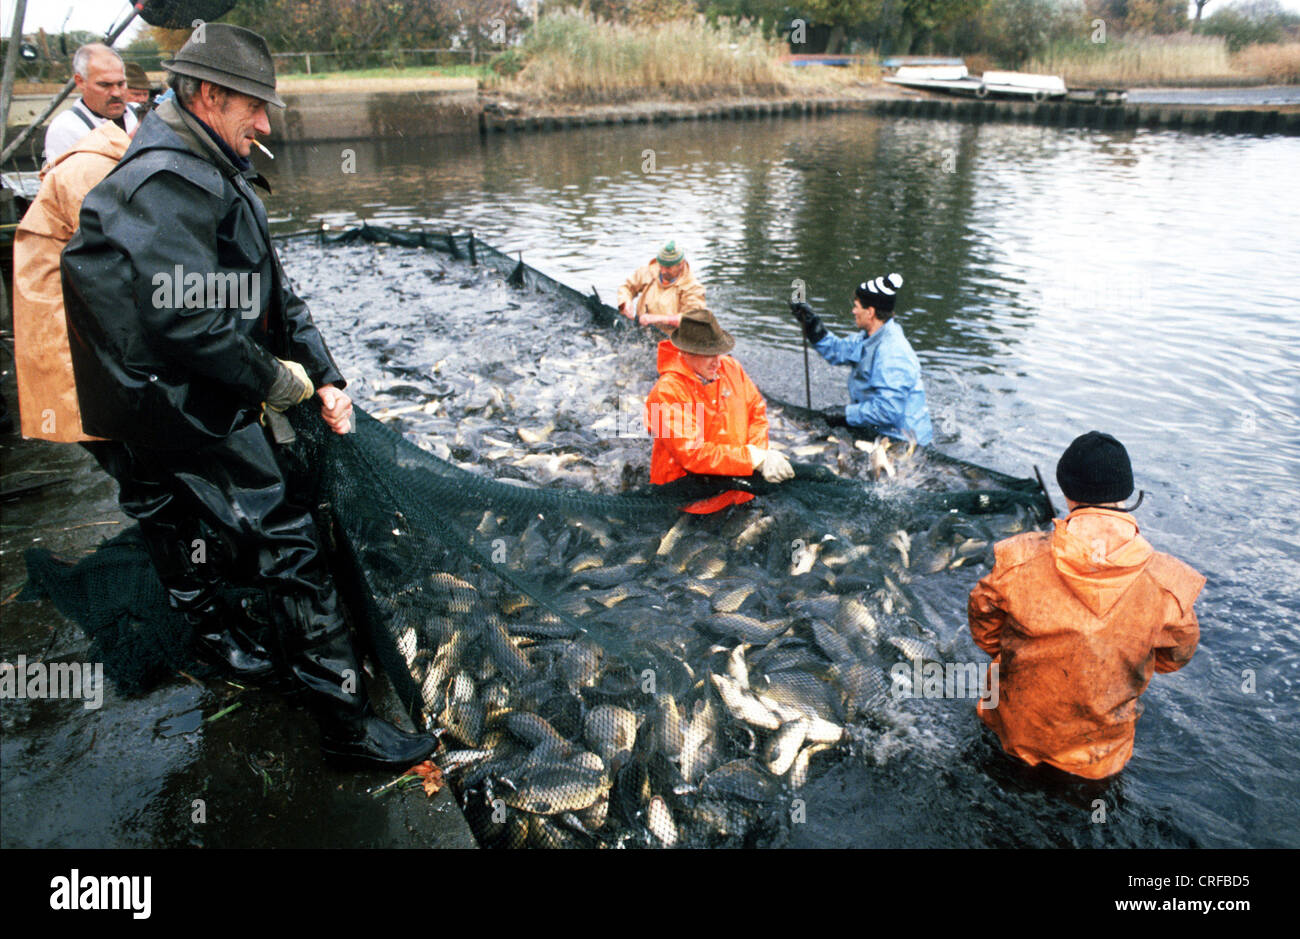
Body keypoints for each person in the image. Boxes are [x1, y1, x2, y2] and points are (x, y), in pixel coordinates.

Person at [60, 24, 435, 768]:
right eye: (252, 106)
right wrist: (272, 379)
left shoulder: (211, 157)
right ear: (205, 95)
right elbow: (184, 316)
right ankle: (346, 724)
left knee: (201, 525)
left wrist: (324, 372)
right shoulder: (165, 178)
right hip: (165, 396)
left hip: (174, 387)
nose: (265, 123)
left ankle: (235, 644)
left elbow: (272, 288)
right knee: (288, 538)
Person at [967, 431, 1205, 780]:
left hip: (1013, 736)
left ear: (1067, 493)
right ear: (1126, 493)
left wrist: (1024, 654)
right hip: (1097, 762)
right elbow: (1175, 657)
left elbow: (984, 627)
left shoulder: (1017, 558)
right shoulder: (1167, 584)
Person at [14, 122, 133, 443]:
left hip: (68, 326)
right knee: (121, 454)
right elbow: (117, 264)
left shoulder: (107, 161)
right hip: (65, 335)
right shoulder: (92, 171)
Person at [645, 308, 794, 514]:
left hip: (740, 492)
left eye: (718, 351)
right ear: (685, 353)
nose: (716, 361)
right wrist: (750, 459)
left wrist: (759, 456)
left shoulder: (732, 368)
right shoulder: (665, 392)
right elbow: (692, 454)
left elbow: (756, 413)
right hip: (689, 502)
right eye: (707, 354)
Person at [791, 273, 933, 446]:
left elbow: (888, 411)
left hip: (903, 441)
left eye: (857, 306)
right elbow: (837, 351)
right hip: (877, 431)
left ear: (870, 312)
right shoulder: (867, 337)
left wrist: (845, 414)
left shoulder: (893, 352)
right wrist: (812, 324)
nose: (853, 311)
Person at [43, 44, 139, 166]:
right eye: (104, 85)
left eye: (121, 84)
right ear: (80, 81)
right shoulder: (65, 128)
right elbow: (67, 182)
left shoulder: (141, 114)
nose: (116, 93)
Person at [618, 240, 706, 334]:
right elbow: (626, 287)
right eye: (661, 266)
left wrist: (658, 319)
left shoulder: (693, 287)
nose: (663, 271)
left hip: (671, 337)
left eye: (668, 268)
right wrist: (626, 302)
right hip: (642, 329)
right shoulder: (650, 271)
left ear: (681, 264)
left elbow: (692, 319)